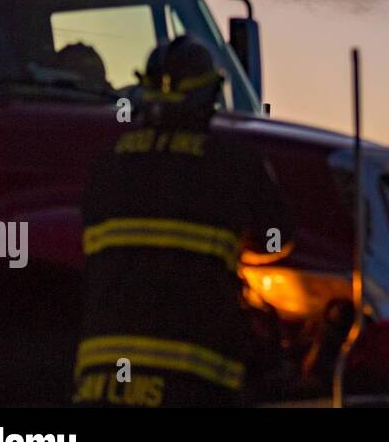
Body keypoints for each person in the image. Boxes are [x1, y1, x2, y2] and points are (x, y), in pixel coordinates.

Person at [72, 36, 291, 407]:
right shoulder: (235, 162)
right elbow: (277, 241)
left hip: (101, 377)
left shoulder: (106, 162)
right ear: (208, 97)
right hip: (194, 379)